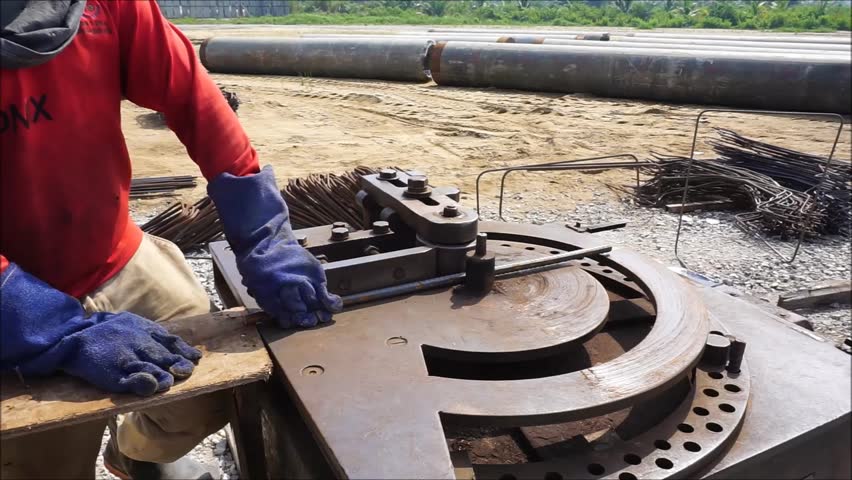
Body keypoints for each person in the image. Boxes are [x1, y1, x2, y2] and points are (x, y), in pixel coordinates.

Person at [0, 1, 341, 478]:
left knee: (204, 396)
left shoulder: (106, 6)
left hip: (114, 254)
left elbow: (193, 100)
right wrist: (42, 324)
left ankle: (133, 454)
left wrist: (264, 233)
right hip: (13, 290)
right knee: (44, 464)